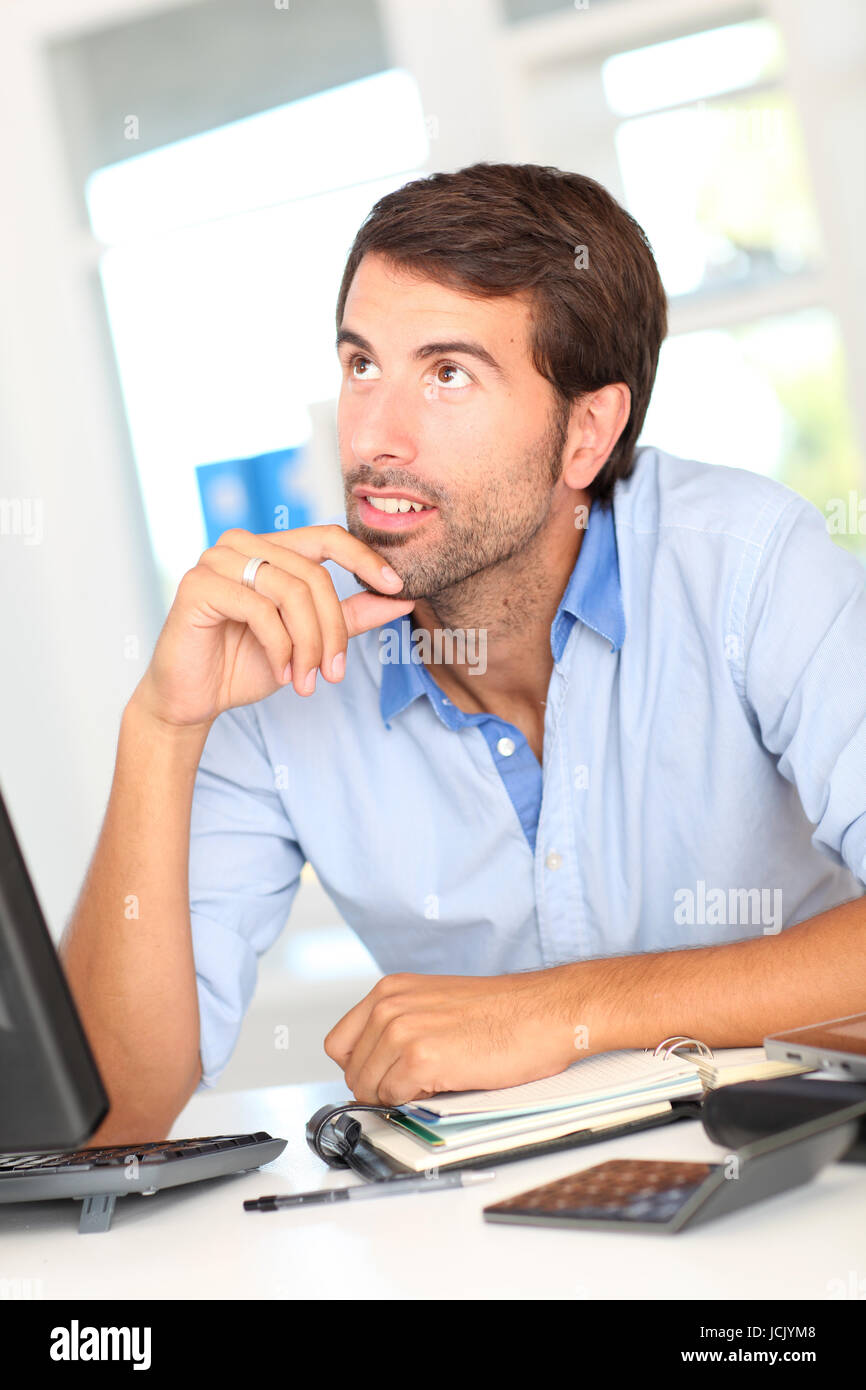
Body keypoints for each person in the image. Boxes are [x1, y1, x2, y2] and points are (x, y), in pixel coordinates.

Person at [61, 163, 866, 1144]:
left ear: (585, 432)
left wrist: (562, 1009)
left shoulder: (746, 567)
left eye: (446, 374)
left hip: (796, 1178)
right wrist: (161, 725)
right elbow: (101, 1122)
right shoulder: (280, 657)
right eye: (362, 365)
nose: (375, 437)